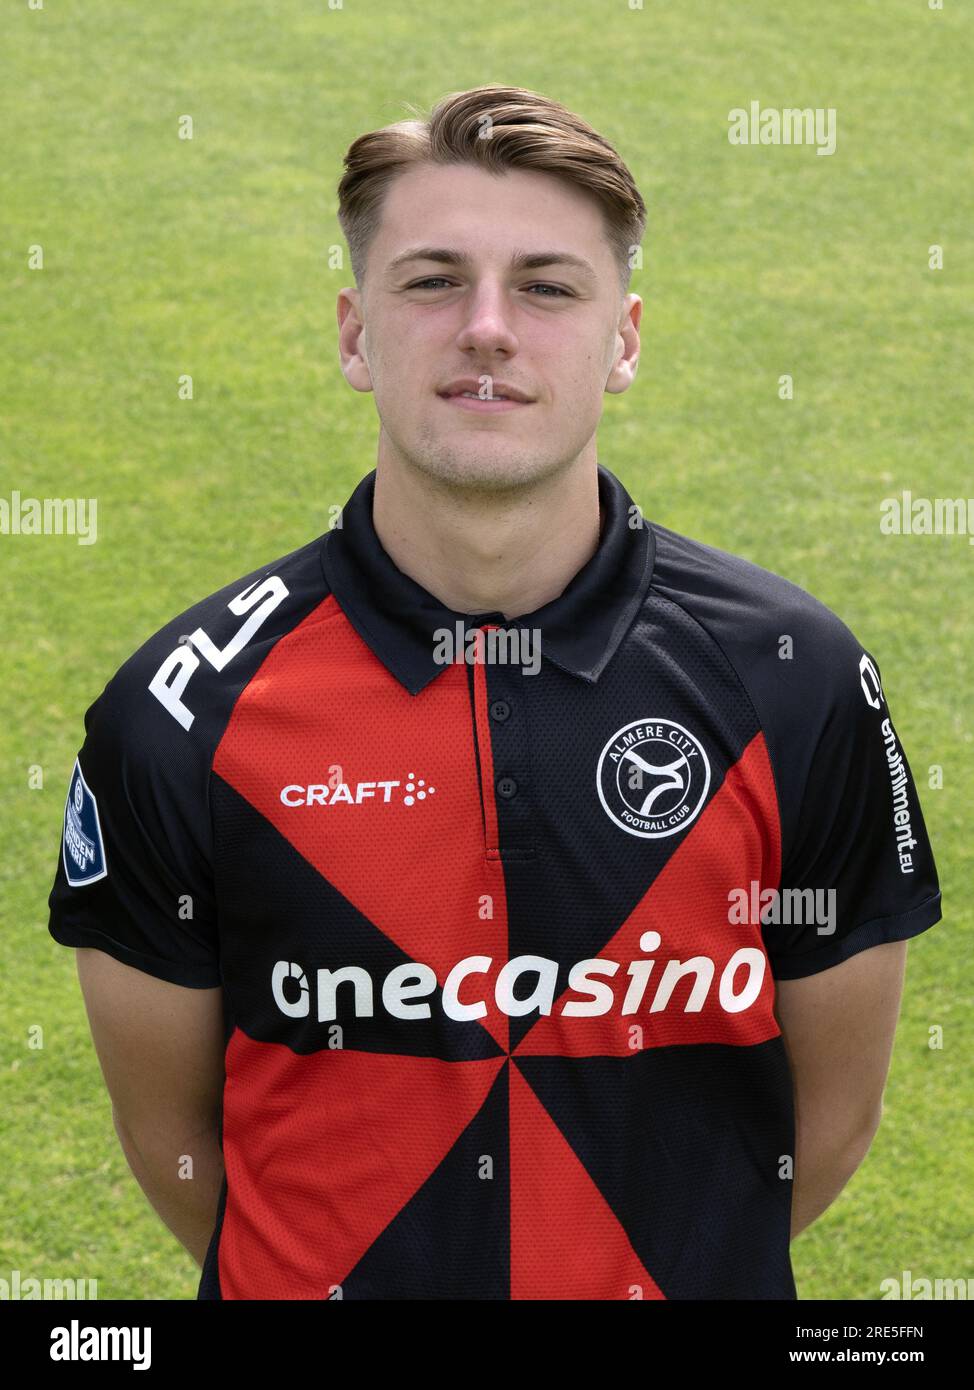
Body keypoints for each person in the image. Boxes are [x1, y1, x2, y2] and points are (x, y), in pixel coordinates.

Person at [47, 84, 942, 1301]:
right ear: (355, 334)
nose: (485, 328)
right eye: (429, 282)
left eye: (545, 285)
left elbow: (823, 1128)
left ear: (621, 338)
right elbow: (177, 1146)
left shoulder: (797, 681)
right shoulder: (177, 711)